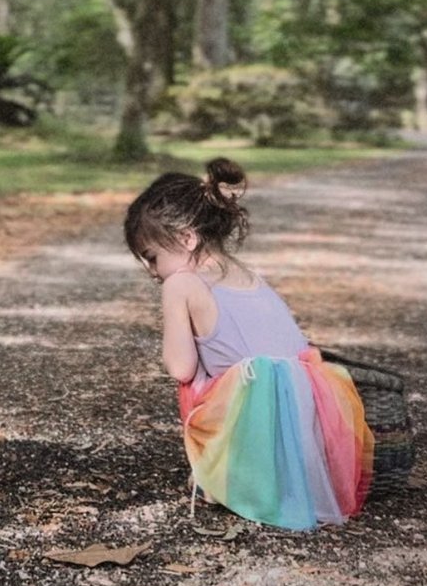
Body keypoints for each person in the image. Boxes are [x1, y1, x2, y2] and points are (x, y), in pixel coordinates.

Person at [124, 157, 373, 531]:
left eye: (151, 258)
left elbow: (180, 368)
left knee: (196, 380)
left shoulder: (180, 284)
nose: (151, 272)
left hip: (261, 430)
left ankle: (223, 474)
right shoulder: (246, 273)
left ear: (187, 238)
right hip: (310, 431)